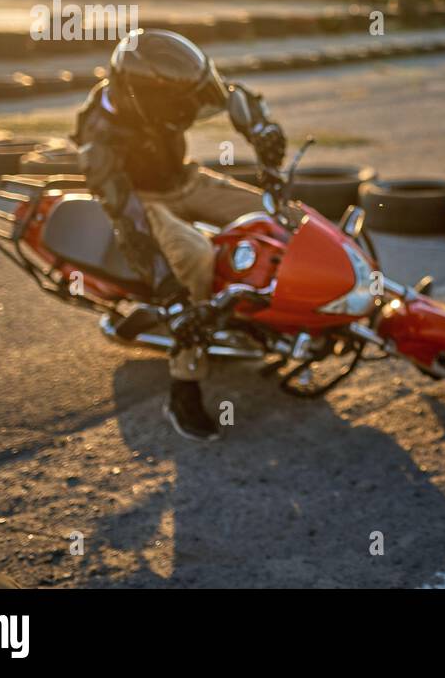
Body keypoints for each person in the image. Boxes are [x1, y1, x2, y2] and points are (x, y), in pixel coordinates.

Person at [72, 29, 288, 442]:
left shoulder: (164, 86)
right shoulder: (98, 136)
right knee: (195, 255)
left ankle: (276, 316)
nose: (189, 108)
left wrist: (260, 128)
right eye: (178, 105)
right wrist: (170, 294)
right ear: (146, 101)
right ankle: (184, 384)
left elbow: (233, 93)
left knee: (275, 217)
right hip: (143, 199)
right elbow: (128, 220)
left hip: (185, 179)